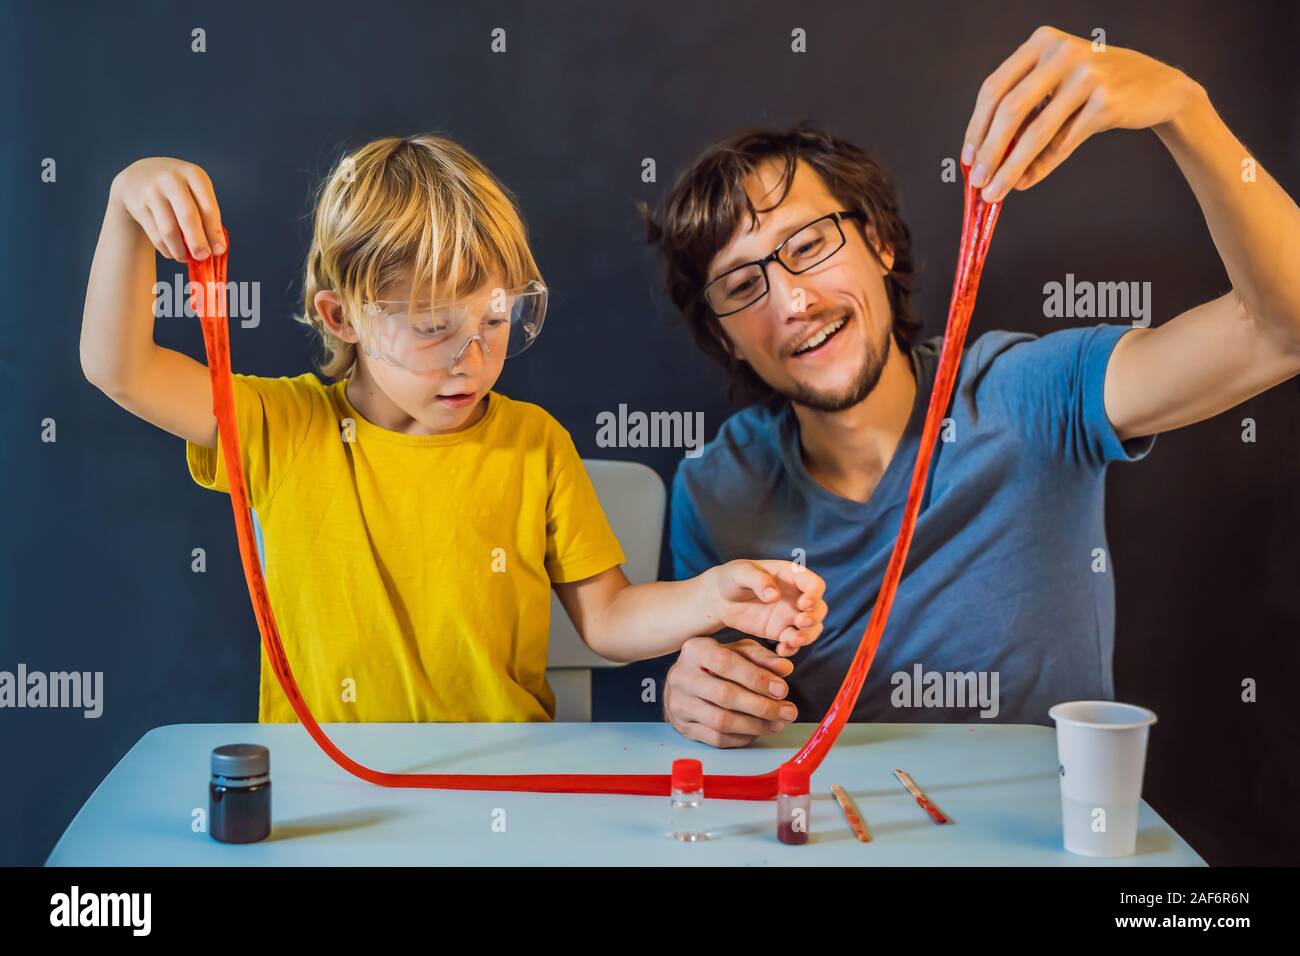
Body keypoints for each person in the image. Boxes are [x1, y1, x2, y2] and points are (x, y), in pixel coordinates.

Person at [643, 27, 1300, 747]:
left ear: (880, 244)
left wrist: (1184, 108)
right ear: (724, 335)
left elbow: (1282, 331)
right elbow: (731, 691)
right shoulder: (716, 486)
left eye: (808, 246)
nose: (793, 302)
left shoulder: (1029, 393)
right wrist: (701, 693)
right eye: (743, 286)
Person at [80, 133, 827, 724]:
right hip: (327, 790)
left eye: (496, 321)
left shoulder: (532, 443)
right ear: (342, 316)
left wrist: (712, 595)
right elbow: (120, 368)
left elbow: (607, 618)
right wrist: (126, 203)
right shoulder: (283, 426)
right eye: (434, 328)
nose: (472, 359)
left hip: (502, 789)